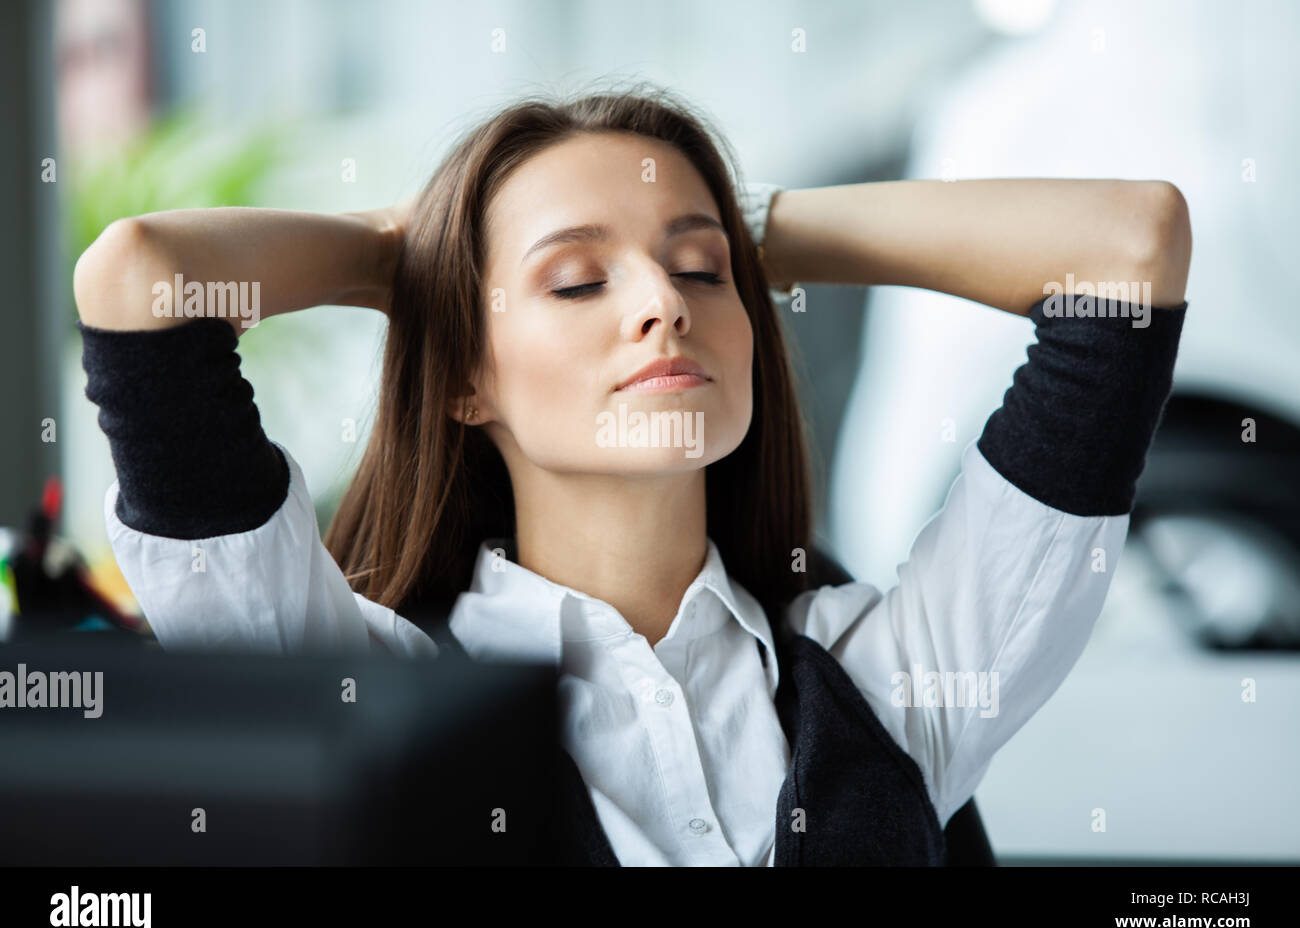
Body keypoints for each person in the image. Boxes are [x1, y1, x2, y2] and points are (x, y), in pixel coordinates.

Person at [72, 83, 1191, 866]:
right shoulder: (371, 689)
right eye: (572, 282)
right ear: (466, 376)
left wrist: (765, 233)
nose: (664, 301)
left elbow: (1127, 251)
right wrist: (400, 253)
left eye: (700, 268)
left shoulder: (886, 684)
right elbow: (143, 279)